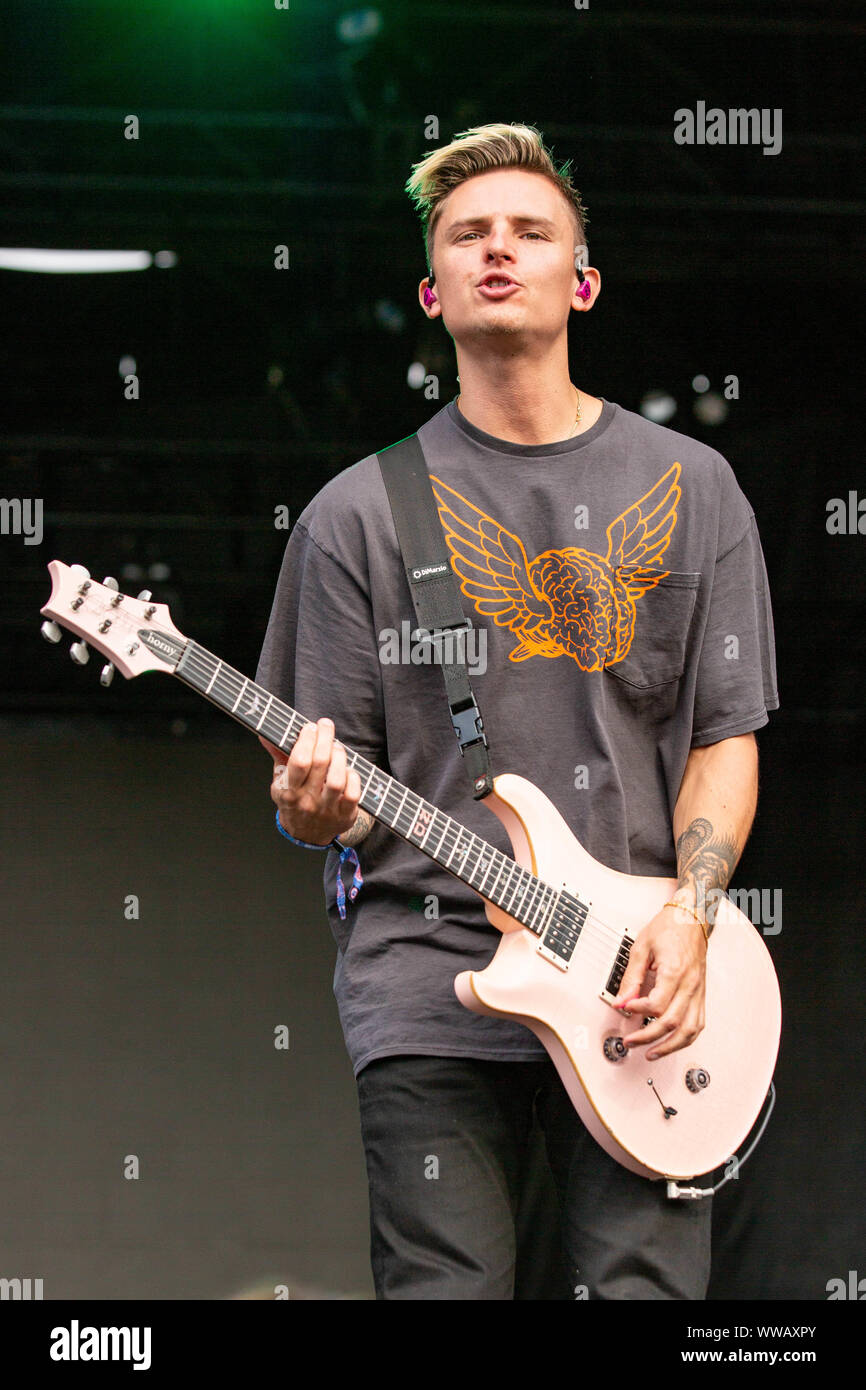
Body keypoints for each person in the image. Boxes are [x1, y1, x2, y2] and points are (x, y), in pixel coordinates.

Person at [255, 122, 779, 1300]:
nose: (498, 251)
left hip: (637, 982)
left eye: (529, 232)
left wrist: (690, 917)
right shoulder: (356, 514)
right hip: (427, 978)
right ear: (430, 290)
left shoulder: (693, 491)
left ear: (580, 281)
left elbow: (722, 741)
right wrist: (312, 807)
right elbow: (321, 803)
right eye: (467, 235)